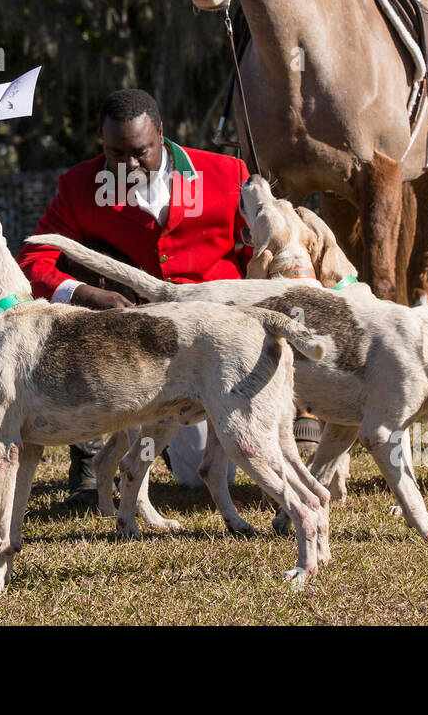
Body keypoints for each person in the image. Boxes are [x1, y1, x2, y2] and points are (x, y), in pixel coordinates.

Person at [17, 89, 260, 508]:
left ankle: (144, 436)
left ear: (161, 135)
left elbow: (256, 257)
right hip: (145, 353)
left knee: (230, 466)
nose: (127, 166)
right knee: (192, 477)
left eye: (140, 152)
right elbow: (34, 258)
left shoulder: (228, 174)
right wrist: (87, 293)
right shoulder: (79, 186)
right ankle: (115, 444)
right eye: (114, 154)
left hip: (223, 341)